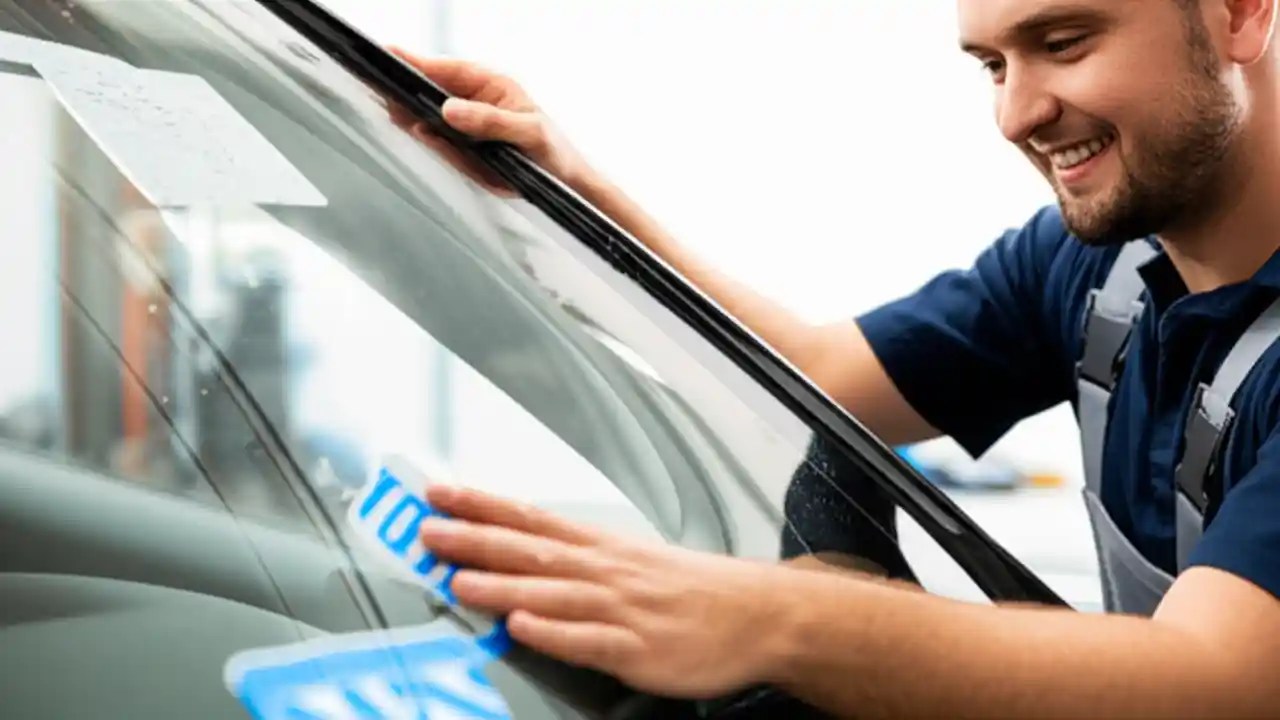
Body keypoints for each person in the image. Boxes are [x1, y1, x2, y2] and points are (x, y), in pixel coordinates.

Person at [395, 0, 1280, 716]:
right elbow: (815, 379)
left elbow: (1209, 678)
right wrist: (572, 192)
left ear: (1241, 14)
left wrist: (774, 620)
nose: (1017, 114)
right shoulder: (1093, 267)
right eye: (993, 66)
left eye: (1064, 42)